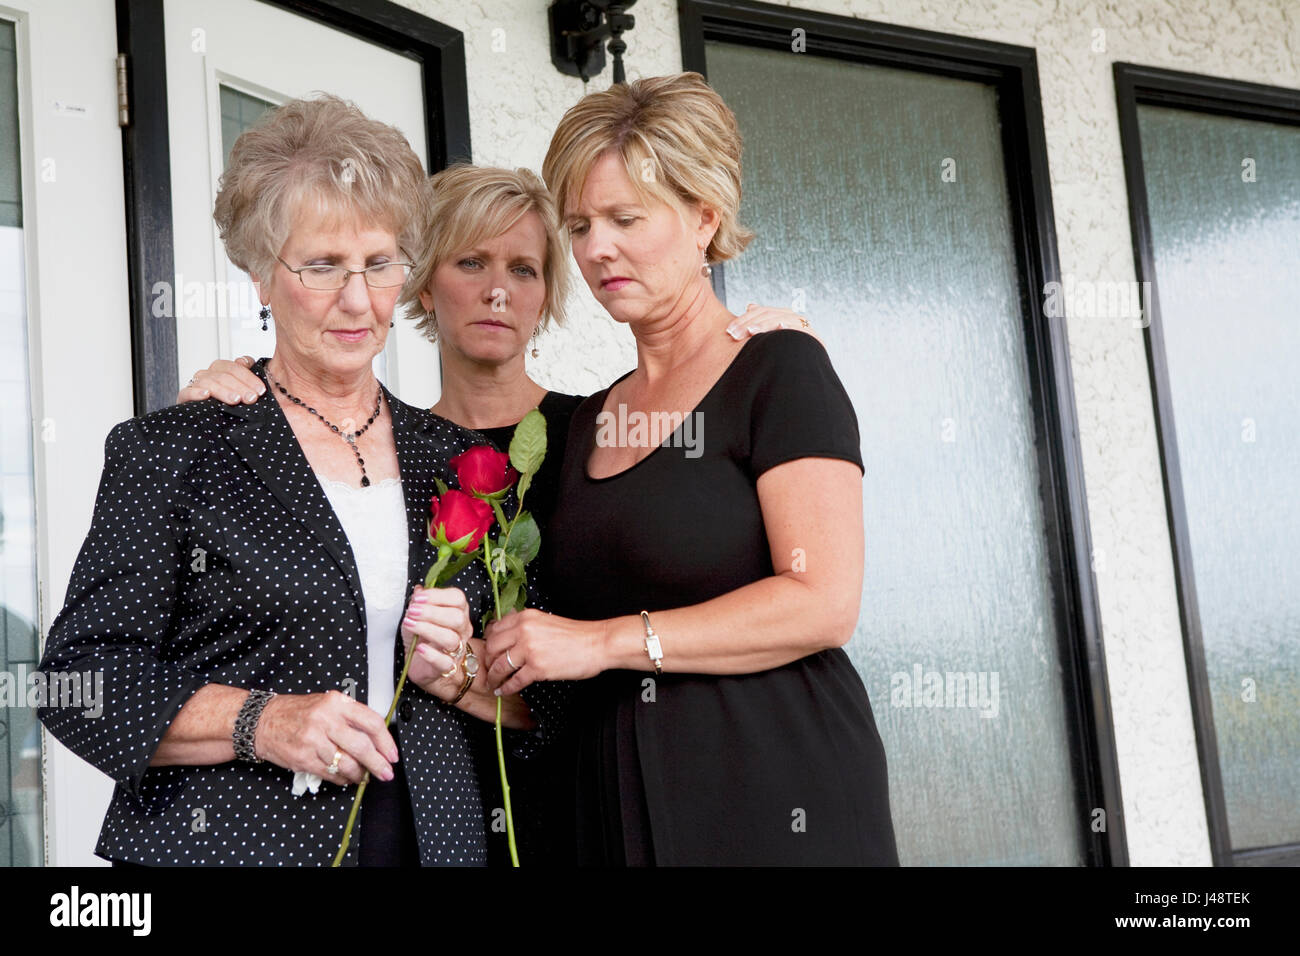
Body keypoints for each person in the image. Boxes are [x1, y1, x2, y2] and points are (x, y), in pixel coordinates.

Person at [180, 162, 815, 862]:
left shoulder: (604, 436)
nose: (497, 291)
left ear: (546, 295)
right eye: (471, 262)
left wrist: (762, 346)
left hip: (582, 790)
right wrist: (245, 390)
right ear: (420, 281)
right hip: (428, 805)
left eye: (524, 270)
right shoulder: (387, 458)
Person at [36, 94, 532, 866]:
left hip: (432, 842)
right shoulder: (175, 448)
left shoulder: (463, 463)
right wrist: (262, 722)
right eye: (324, 266)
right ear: (263, 277)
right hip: (233, 846)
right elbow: (80, 682)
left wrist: (465, 672)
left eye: (378, 264)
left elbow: (546, 702)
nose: (358, 300)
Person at [479, 72, 901, 865]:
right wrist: (250, 384)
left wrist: (601, 643)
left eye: (625, 218)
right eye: (579, 225)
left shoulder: (779, 370)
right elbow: (465, 414)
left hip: (776, 793)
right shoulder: (579, 424)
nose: (597, 247)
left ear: (705, 217)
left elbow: (823, 603)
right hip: (613, 809)